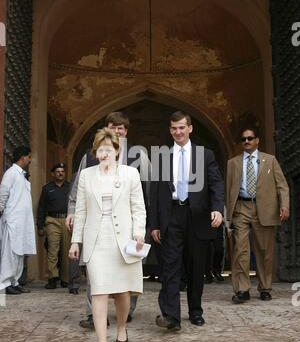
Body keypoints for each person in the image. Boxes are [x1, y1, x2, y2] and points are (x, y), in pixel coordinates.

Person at [66, 111, 150, 328]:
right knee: (94, 273)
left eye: (121, 127)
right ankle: (92, 316)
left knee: (127, 272)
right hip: (96, 227)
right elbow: (78, 192)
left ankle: (126, 313)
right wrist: (72, 211)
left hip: (126, 225)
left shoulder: (138, 157)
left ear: (126, 131)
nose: (116, 130)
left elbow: (146, 193)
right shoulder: (90, 156)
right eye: (112, 126)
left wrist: (141, 227)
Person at [150, 111, 224, 330]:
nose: (178, 132)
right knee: (170, 267)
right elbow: (155, 193)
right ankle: (171, 316)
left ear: (190, 128)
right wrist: (154, 223)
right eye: (173, 128)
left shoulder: (206, 155)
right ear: (170, 130)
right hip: (171, 215)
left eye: (182, 127)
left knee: (195, 266)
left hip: (197, 217)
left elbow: (216, 184)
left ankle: (195, 311)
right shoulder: (162, 157)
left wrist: (218, 209)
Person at [226, 127, 289, 304]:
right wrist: (227, 214)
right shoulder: (233, 163)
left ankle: (265, 288)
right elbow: (228, 189)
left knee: (264, 251)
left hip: (265, 209)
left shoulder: (270, 160)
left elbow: (282, 185)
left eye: (250, 138)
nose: (246, 141)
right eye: (243, 139)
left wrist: (284, 205)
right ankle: (242, 289)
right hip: (241, 207)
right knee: (240, 249)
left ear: (257, 140)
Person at [37, 163, 80, 293]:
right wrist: (40, 225)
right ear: (53, 174)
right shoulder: (47, 188)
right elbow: (41, 208)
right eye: (57, 171)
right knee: (52, 249)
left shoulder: (70, 187)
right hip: (52, 221)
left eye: (62, 171)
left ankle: (66, 279)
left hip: (67, 220)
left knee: (67, 250)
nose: (60, 173)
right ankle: (52, 278)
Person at [0, 146, 36, 294]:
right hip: (13, 220)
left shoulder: (21, 175)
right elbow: (3, 194)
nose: (30, 160)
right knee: (10, 253)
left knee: (19, 252)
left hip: (22, 221)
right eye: (29, 157)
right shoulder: (11, 174)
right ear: (23, 157)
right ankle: (5, 283)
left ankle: (14, 281)